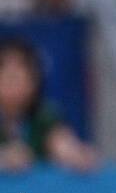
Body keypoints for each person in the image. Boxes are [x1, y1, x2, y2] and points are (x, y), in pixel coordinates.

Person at [0, 37, 97, 172]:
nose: (12, 85)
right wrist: (4, 159)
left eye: (18, 77)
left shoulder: (45, 116)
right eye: (8, 77)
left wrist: (77, 155)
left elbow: (62, 144)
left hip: (32, 192)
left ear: (33, 82)